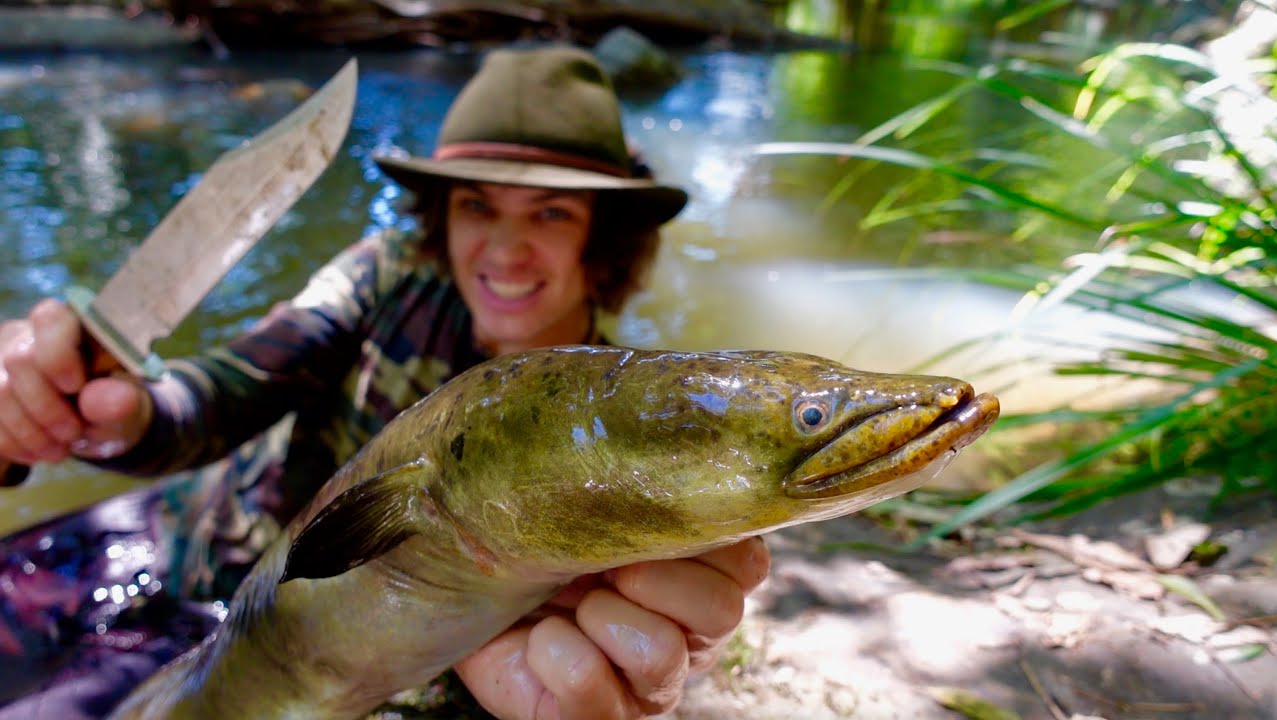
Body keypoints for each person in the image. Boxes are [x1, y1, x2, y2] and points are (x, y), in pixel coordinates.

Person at [0, 46, 770, 719]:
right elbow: (234, 390)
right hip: (175, 538)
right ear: (441, 216)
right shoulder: (387, 275)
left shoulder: (612, 431)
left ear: (602, 238)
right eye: (476, 205)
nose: (505, 250)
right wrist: (121, 419)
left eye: (551, 214)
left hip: (270, 645)